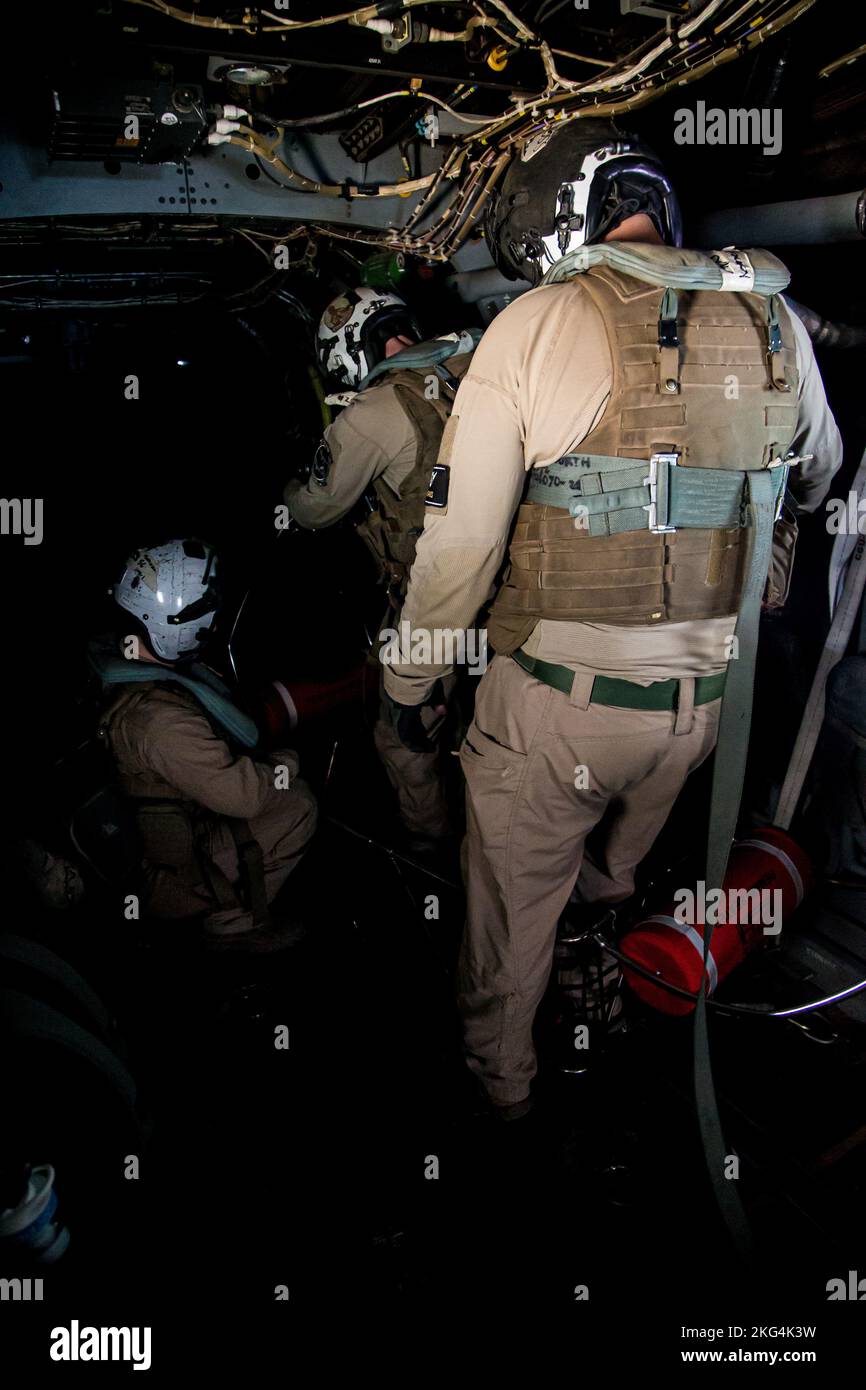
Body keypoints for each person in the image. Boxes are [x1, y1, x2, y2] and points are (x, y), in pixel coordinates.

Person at [382, 119, 844, 1117]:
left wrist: (409, 686)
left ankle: (504, 1105)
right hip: (698, 713)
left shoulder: (539, 323)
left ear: (558, 221)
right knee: (607, 875)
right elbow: (815, 475)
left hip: (557, 714)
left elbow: (456, 555)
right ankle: (603, 941)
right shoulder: (776, 325)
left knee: (505, 939)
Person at [284, 286, 475, 849]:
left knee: (402, 733)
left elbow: (317, 509)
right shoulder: (469, 371)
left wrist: (291, 486)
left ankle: (431, 847)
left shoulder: (374, 411)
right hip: (511, 589)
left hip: (435, 604)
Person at [90, 538, 317, 953]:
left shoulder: (124, 660)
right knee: (298, 803)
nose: (212, 628)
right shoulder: (162, 722)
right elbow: (245, 796)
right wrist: (287, 763)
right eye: (207, 621)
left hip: (167, 824)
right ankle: (232, 924)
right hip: (171, 870)